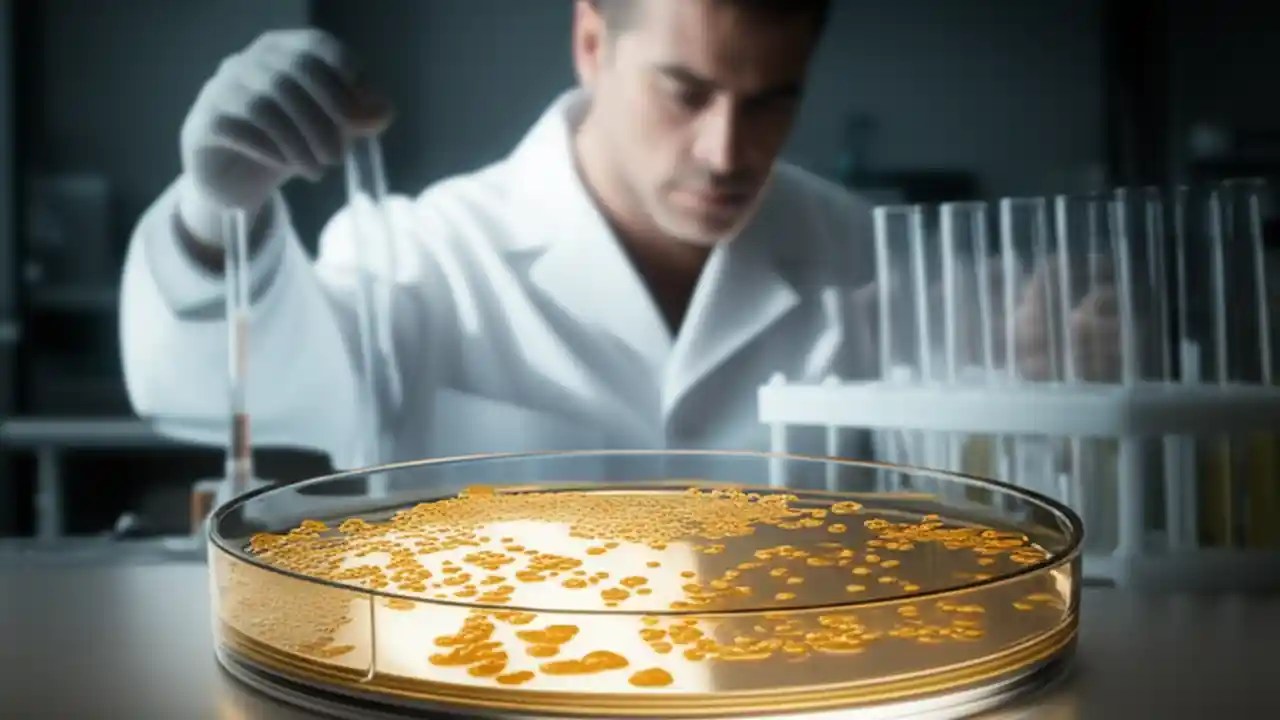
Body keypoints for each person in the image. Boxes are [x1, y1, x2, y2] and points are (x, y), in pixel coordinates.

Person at [121, 0, 1099, 471]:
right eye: (685, 92)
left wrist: (1062, 384)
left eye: (769, 103)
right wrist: (218, 214)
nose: (726, 152)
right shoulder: (420, 254)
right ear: (592, 44)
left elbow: (1007, 490)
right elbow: (204, 395)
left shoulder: (867, 258)